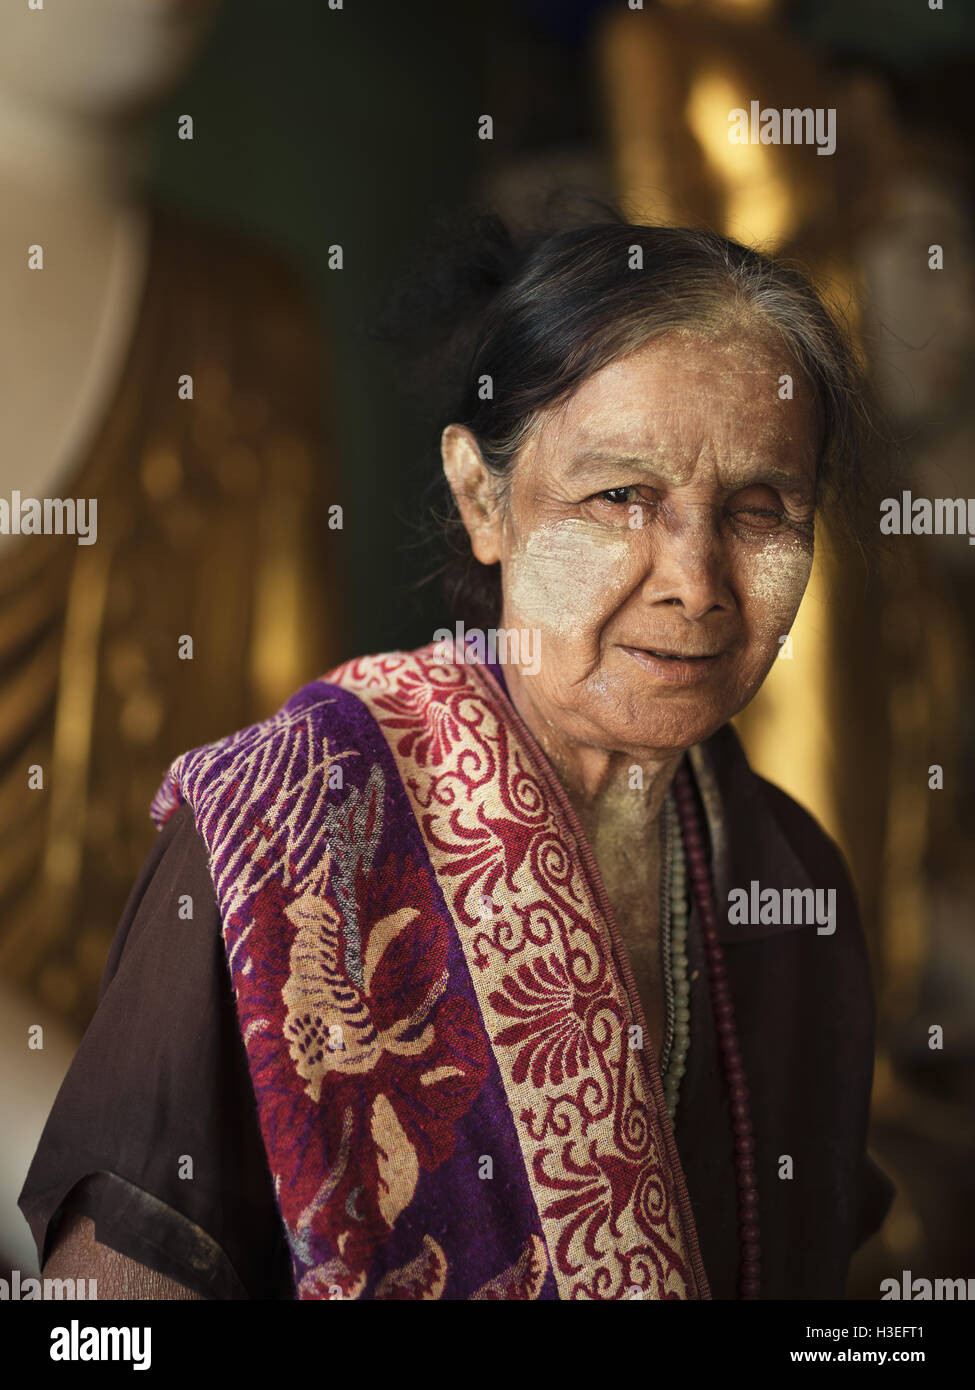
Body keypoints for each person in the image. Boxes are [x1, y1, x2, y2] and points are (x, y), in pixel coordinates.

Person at [19, 216, 894, 1300]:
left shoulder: (791, 880)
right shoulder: (280, 829)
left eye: (761, 510)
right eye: (620, 498)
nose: (697, 581)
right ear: (485, 500)